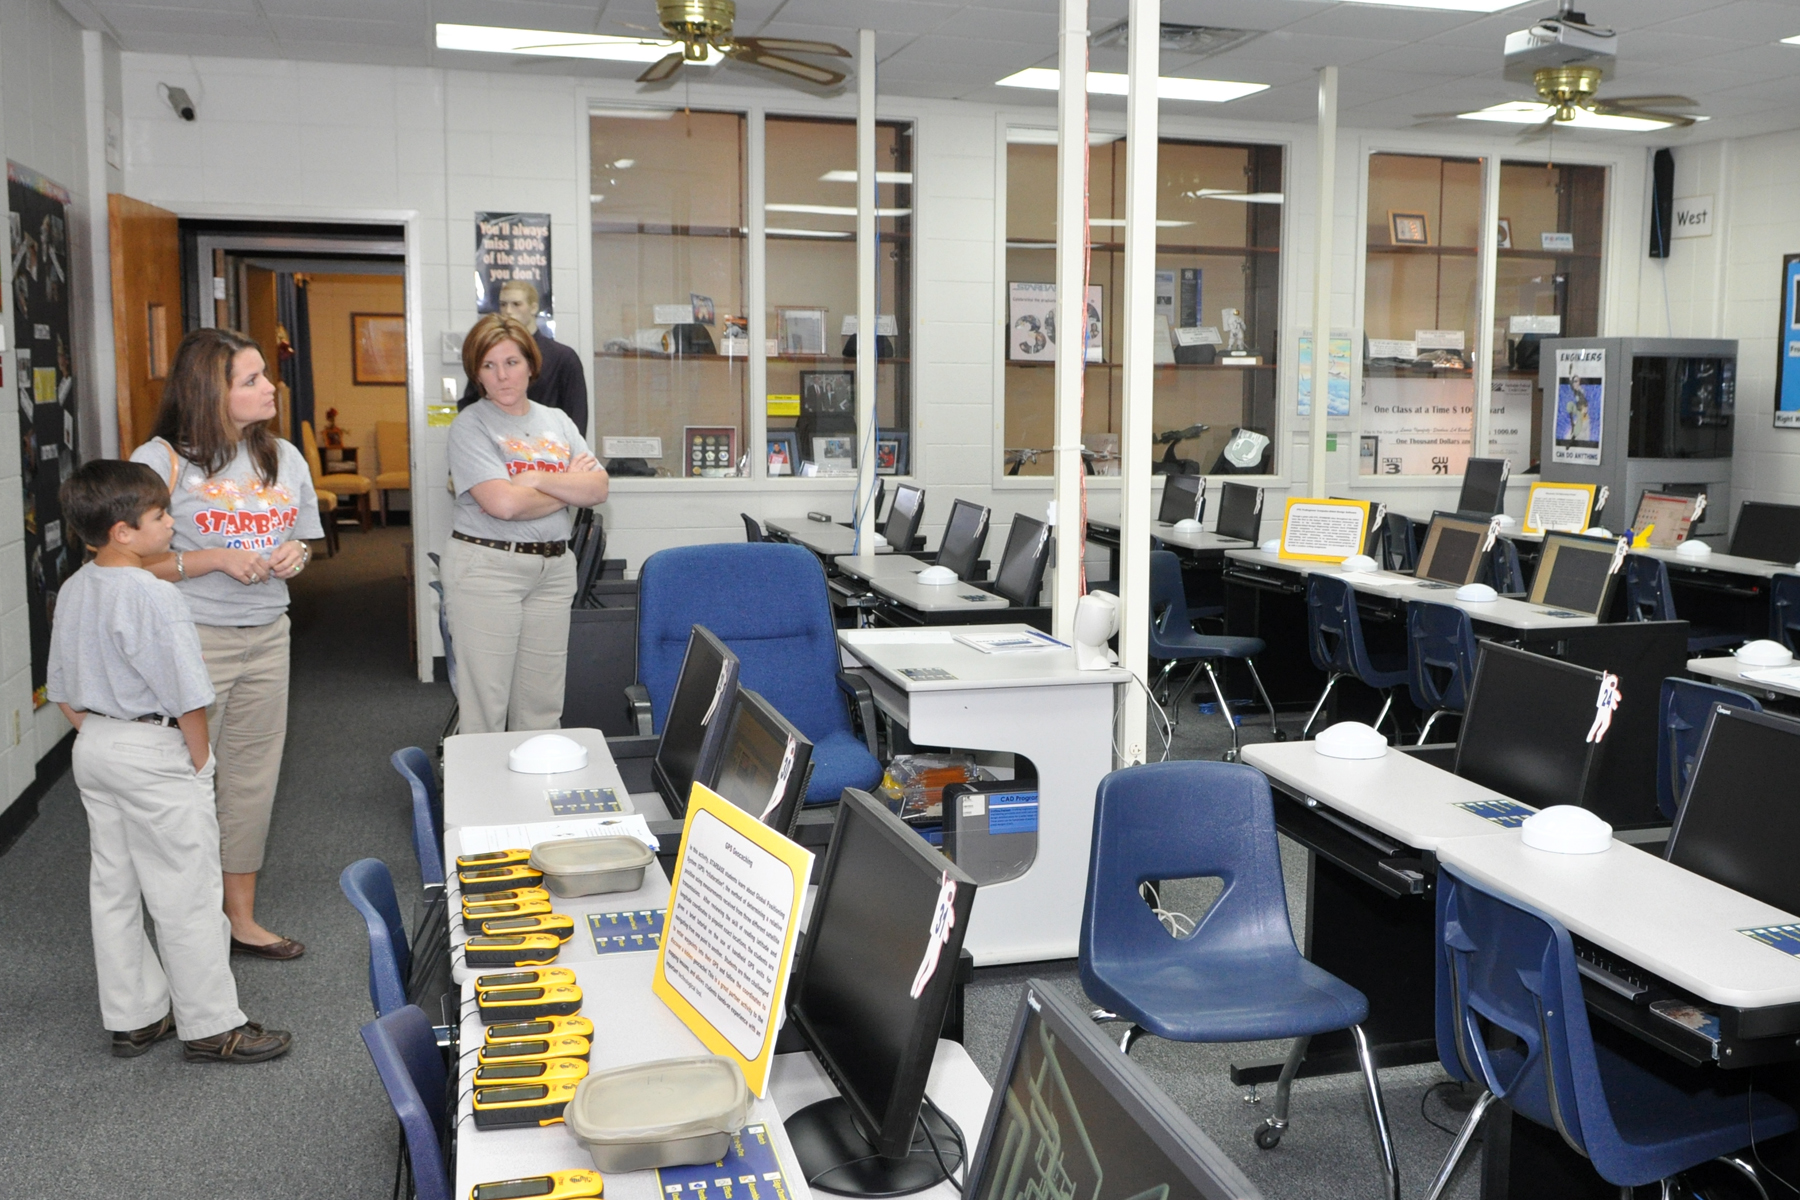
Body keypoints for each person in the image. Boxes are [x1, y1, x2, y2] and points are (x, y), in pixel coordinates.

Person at [49, 459, 292, 1064]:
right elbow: (188, 696)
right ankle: (212, 1026)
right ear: (123, 532)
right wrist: (200, 764)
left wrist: (106, 734)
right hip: (155, 751)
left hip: (96, 746)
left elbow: (61, 692)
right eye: (159, 516)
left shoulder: (77, 585)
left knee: (114, 884)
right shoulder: (154, 595)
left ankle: (135, 1016)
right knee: (187, 889)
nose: (171, 524)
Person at [130, 328, 323, 961]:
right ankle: (182, 925)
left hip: (269, 635)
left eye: (264, 375)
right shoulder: (160, 460)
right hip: (190, 642)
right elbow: (122, 564)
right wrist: (208, 559)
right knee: (185, 784)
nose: (269, 387)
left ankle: (239, 919)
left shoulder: (284, 457)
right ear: (210, 390)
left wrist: (295, 553)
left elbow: (302, 540)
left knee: (250, 782)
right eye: (251, 380)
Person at [445, 313, 610, 733]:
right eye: (488, 366)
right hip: (488, 570)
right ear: (476, 373)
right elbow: (503, 504)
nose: (502, 376)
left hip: (553, 570)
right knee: (487, 707)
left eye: (512, 362)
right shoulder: (470, 425)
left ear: (531, 364)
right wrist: (565, 485)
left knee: (542, 706)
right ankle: (481, 800)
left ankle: (533, 798)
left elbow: (597, 490)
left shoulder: (557, 421)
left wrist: (534, 480)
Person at [457, 280, 589, 435]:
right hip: (498, 439)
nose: (508, 311)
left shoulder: (563, 357)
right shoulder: (488, 353)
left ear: (533, 308)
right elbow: (470, 401)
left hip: (550, 444)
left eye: (516, 304)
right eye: (503, 304)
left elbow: (577, 413)